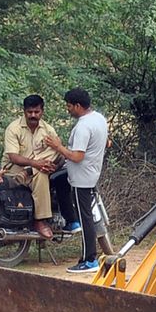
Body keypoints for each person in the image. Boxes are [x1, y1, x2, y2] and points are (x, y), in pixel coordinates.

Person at [46, 88, 109, 273]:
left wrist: (58, 146)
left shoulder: (83, 126)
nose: (68, 110)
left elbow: (77, 156)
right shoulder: (99, 119)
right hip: (89, 172)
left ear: (78, 106)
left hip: (82, 178)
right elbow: (107, 142)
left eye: (69, 106)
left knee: (85, 218)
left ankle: (89, 259)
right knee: (58, 180)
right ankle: (70, 220)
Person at [1, 94, 63, 240]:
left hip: (32, 172)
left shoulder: (48, 130)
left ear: (42, 111)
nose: (33, 115)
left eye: (36, 112)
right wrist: (36, 164)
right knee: (41, 174)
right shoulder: (14, 128)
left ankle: (29, 171)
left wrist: (53, 167)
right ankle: (40, 221)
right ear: (24, 111)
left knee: (58, 147)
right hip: (14, 171)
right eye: (30, 112)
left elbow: (60, 154)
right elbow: (13, 157)